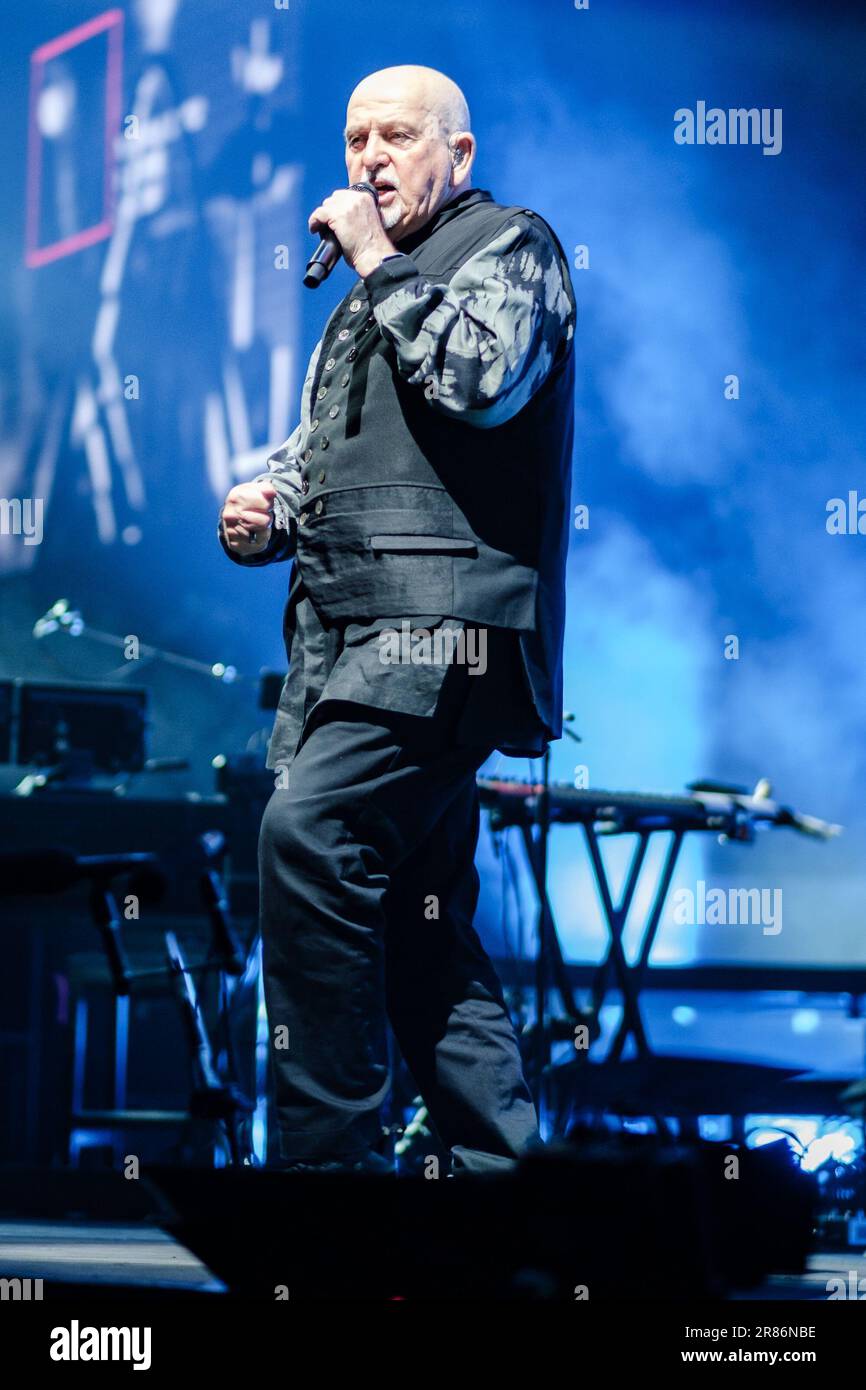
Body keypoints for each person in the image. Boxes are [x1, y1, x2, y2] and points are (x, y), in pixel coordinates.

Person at [219, 65, 576, 1175]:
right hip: (354, 643)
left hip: (446, 634)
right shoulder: (362, 308)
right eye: (354, 139)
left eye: (395, 137)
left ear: (454, 156)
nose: (368, 160)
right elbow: (326, 453)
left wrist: (376, 260)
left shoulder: (512, 248)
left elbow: (482, 382)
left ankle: (327, 1174)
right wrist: (265, 504)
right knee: (424, 925)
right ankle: (498, 1177)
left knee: (309, 836)